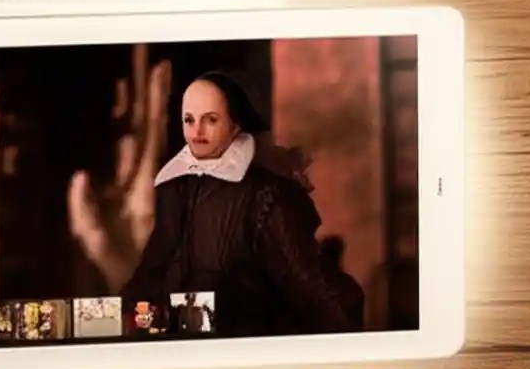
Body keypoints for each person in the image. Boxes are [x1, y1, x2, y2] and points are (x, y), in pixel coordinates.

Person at [118, 70, 364, 337]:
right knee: (86, 322)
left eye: (210, 120)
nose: (197, 131)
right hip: (180, 332)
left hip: (241, 338)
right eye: (189, 120)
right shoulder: (174, 186)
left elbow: (307, 281)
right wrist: (125, 312)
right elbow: (155, 265)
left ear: (235, 124)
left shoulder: (267, 195)